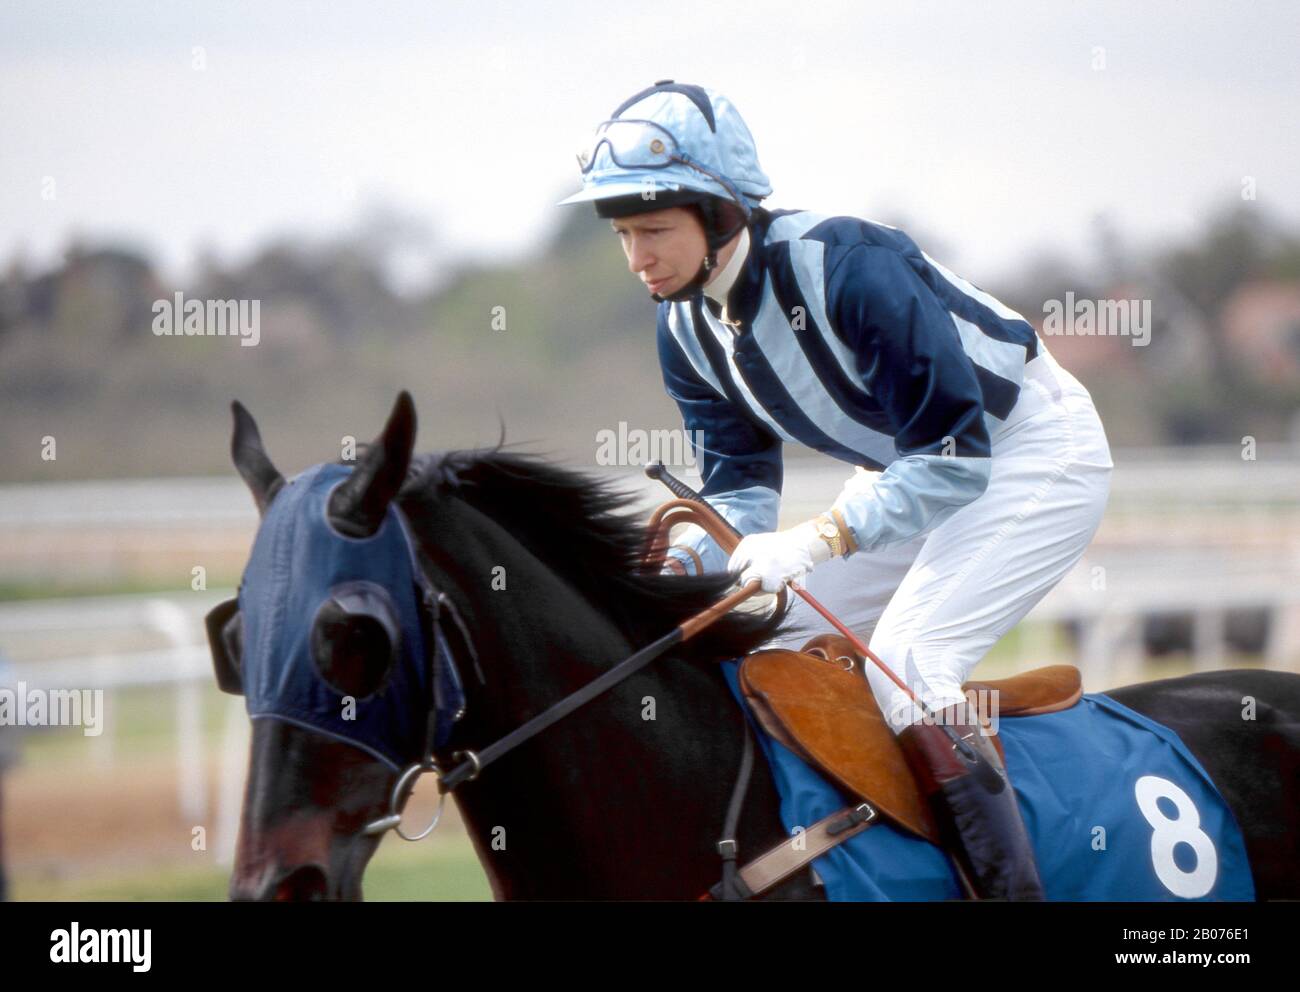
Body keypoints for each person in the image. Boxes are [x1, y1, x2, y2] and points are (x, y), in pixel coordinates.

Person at [558, 80, 1113, 900]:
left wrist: (819, 538)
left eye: (653, 230)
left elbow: (957, 458)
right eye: (622, 235)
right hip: (912, 474)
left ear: (720, 215)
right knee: (766, 645)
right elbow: (740, 483)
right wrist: (684, 568)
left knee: (909, 665)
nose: (636, 258)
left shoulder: (847, 267)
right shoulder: (684, 328)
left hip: (1030, 452)